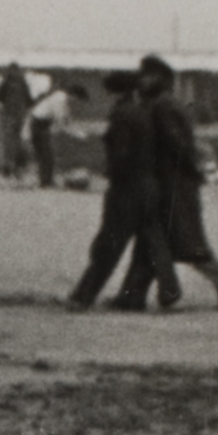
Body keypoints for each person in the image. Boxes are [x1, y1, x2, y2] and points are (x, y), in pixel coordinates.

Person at [122, 56, 218, 310]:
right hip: (176, 184)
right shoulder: (167, 104)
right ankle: (132, 295)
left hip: (171, 185)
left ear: (159, 78)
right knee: (160, 241)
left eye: (146, 76)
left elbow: (176, 144)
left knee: (179, 242)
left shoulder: (162, 106)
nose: (141, 81)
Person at [64, 70, 162, 310]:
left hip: (127, 188)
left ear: (113, 92)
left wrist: (111, 176)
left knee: (110, 243)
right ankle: (132, 297)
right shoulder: (145, 112)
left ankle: (82, 296)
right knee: (146, 246)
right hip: (151, 186)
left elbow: (120, 154)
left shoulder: (122, 114)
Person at [0, 64, 33, 183]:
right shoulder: (23, 83)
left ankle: (7, 168)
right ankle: (19, 168)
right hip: (20, 115)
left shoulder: (6, 82)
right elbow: (29, 100)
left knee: (8, 142)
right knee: (20, 141)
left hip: (8, 115)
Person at [27, 83, 73, 188]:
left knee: (45, 154)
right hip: (40, 123)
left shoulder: (59, 97)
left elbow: (65, 114)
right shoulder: (60, 99)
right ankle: (46, 181)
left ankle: (46, 180)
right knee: (46, 153)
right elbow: (59, 116)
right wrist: (64, 128)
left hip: (39, 122)